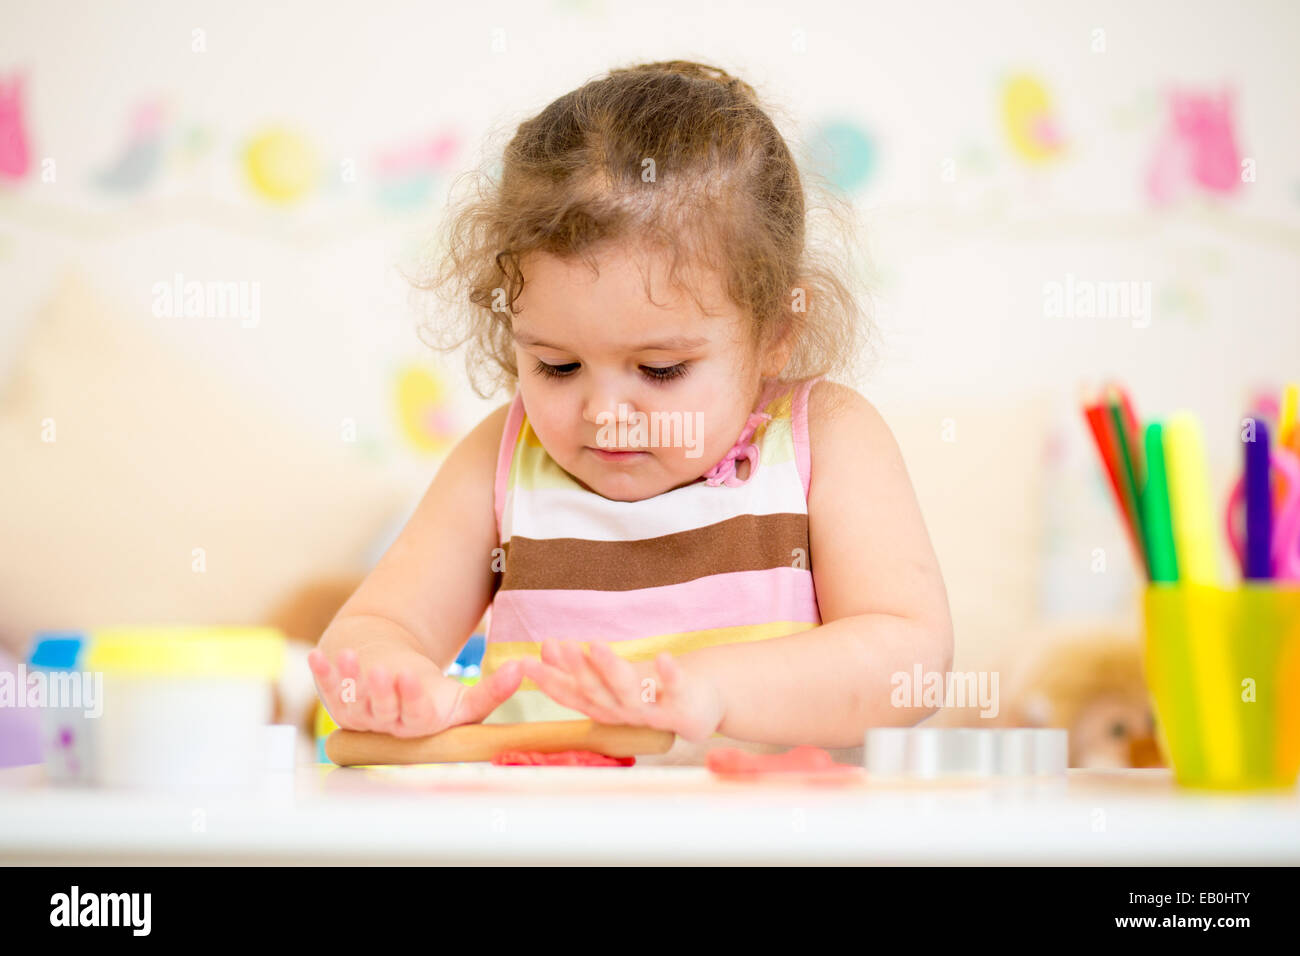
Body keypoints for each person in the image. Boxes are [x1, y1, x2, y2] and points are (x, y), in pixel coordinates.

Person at [310, 60, 952, 763]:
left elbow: (909, 658)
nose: (606, 414)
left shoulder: (823, 441)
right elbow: (374, 625)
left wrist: (710, 691)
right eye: (556, 366)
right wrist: (388, 682)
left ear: (775, 333)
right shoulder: (502, 457)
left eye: (659, 369)